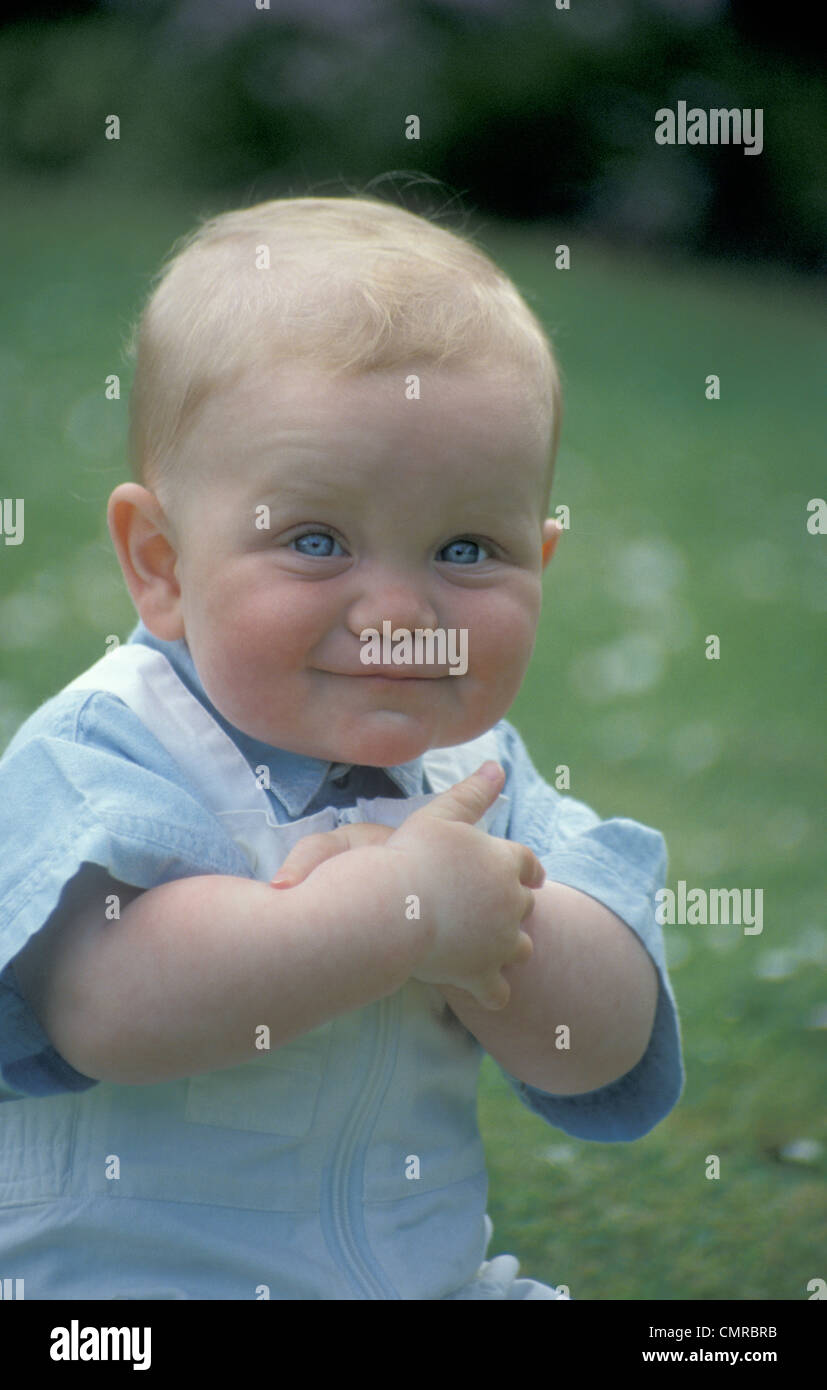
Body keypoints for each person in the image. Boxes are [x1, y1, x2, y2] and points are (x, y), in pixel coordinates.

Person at [0, 195, 683, 1299]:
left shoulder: (481, 776)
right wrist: (394, 911)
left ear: (540, 563)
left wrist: (501, 926)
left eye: (468, 548)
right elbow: (104, 1007)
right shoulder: (109, 746)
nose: (401, 611)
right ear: (162, 564)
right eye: (314, 542)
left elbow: (596, 1045)